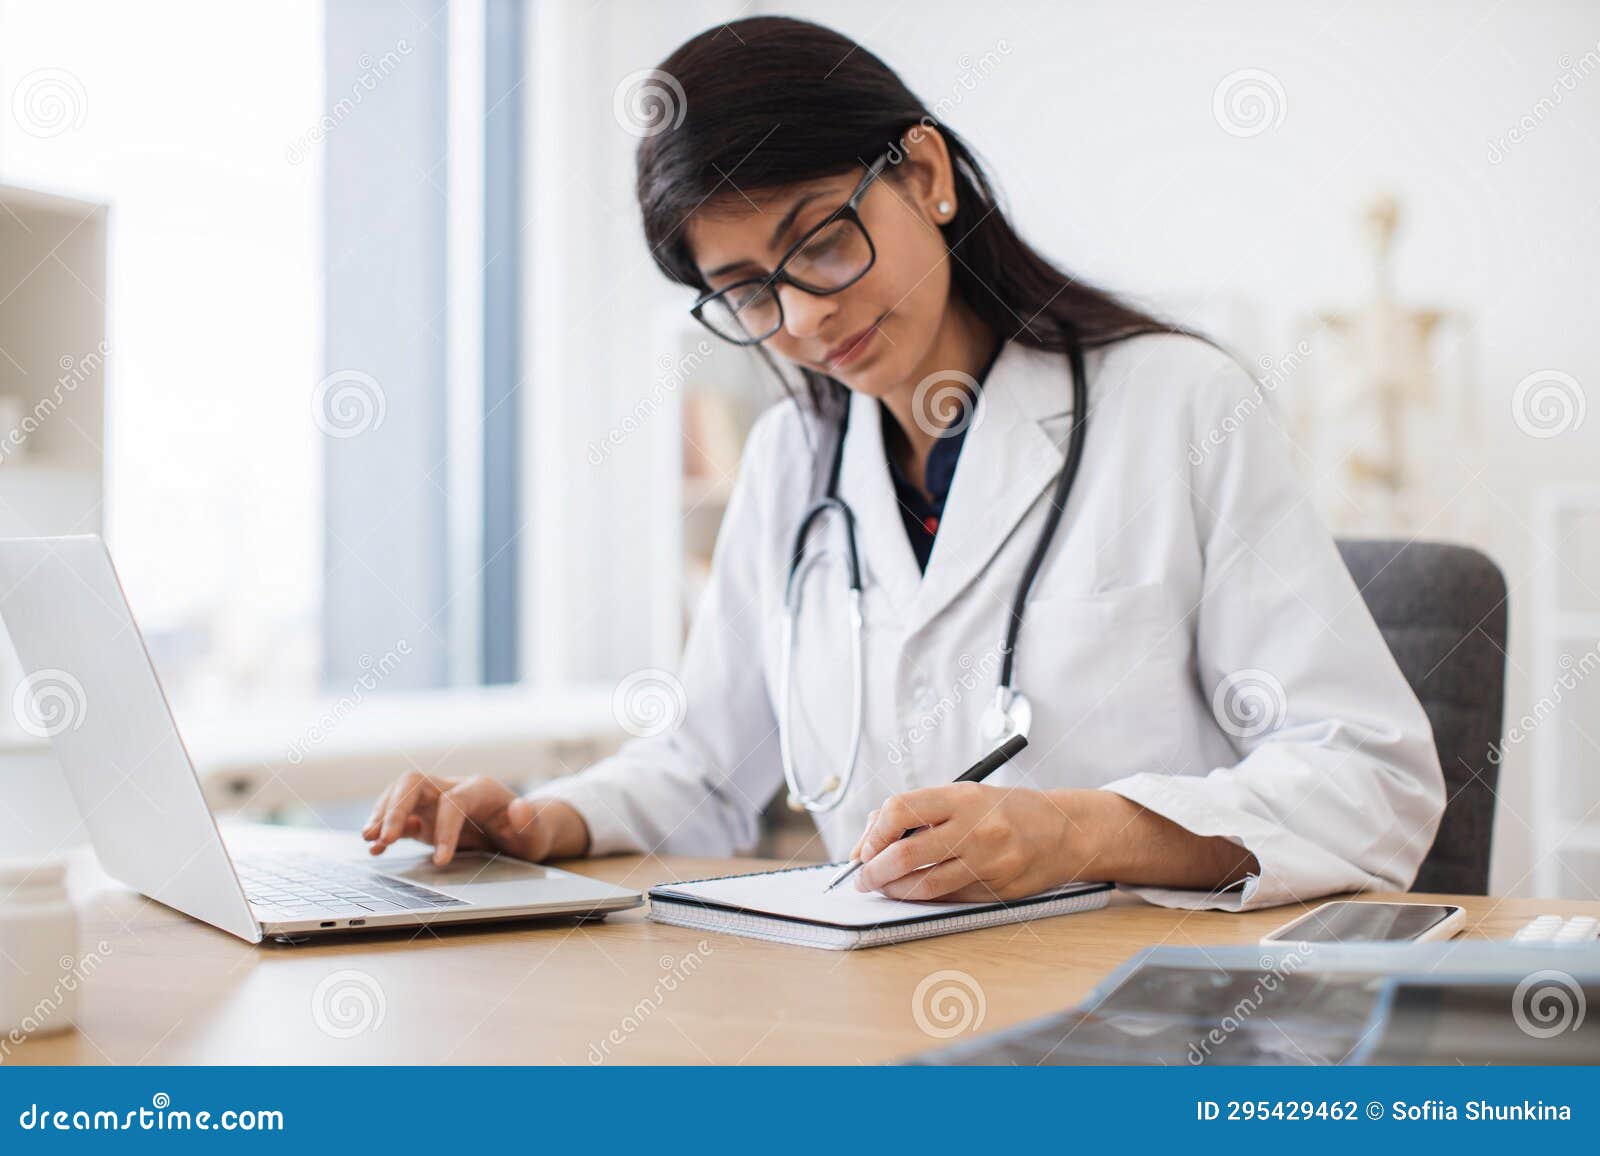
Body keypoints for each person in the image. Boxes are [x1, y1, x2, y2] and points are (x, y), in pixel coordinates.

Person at [363, 16, 1443, 911]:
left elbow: (1370, 778)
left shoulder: (1177, 406)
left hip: (1147, 1011)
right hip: (882, 1011)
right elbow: (701, 769)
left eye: (823, 242)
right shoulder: (793, 462)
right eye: (749, 292)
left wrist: (1076, 831)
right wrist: (541, 821)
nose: (803, 318)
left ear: (923, 173)